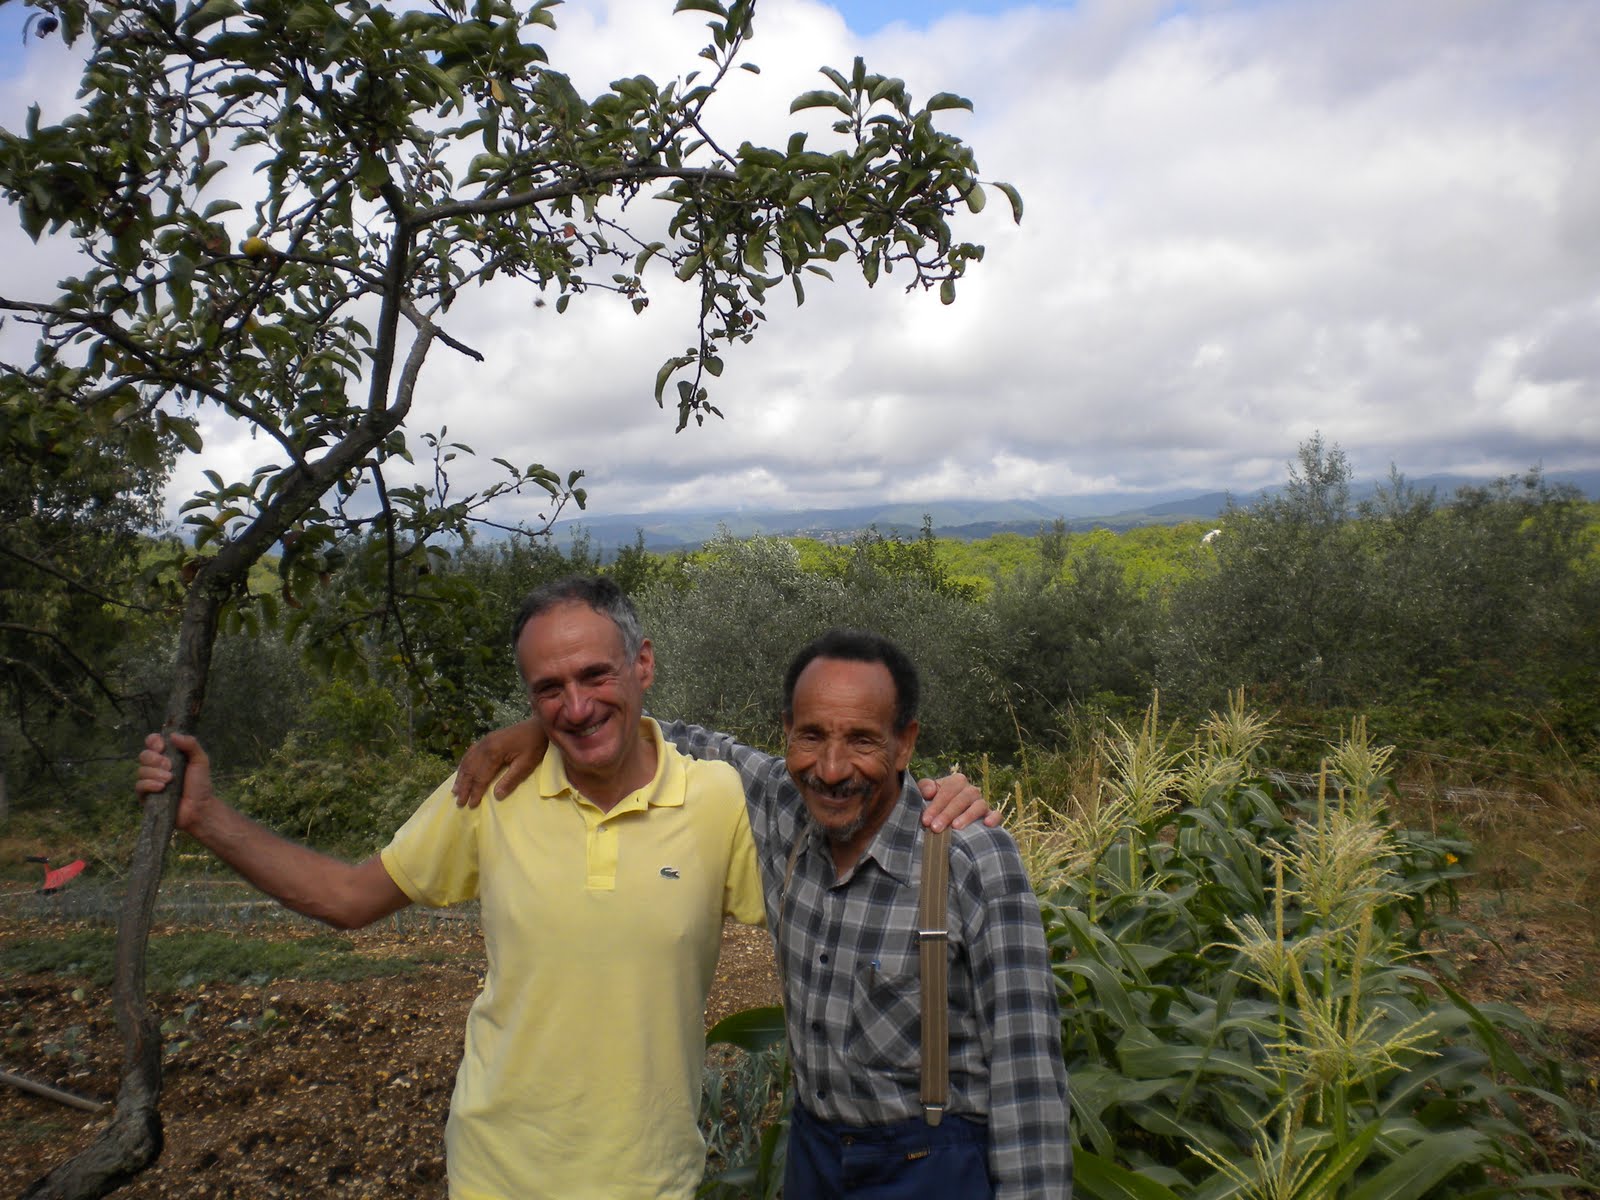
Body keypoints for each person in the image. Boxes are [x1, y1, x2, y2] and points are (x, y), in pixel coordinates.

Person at [136, 578, 990, 1200]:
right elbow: (348, 898)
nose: (576, 707)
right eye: (548, 689)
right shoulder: (489, 793)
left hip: (652, 1178)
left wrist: (940, 805)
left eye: (594, 676)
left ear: (643, 664)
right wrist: (206, 818)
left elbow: (838, 812)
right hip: (497, 1171)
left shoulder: (717, 799)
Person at [457, 628, 1071, 1199]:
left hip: (931, 1165)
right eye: (811, 736)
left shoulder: (970, 857)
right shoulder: (781, 805)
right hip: (813, 1157)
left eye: (862, 740)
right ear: (786, 731)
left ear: (905, 742)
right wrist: (544, 728)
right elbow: (668, 738)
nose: (830, 771)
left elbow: (1030, 1082)